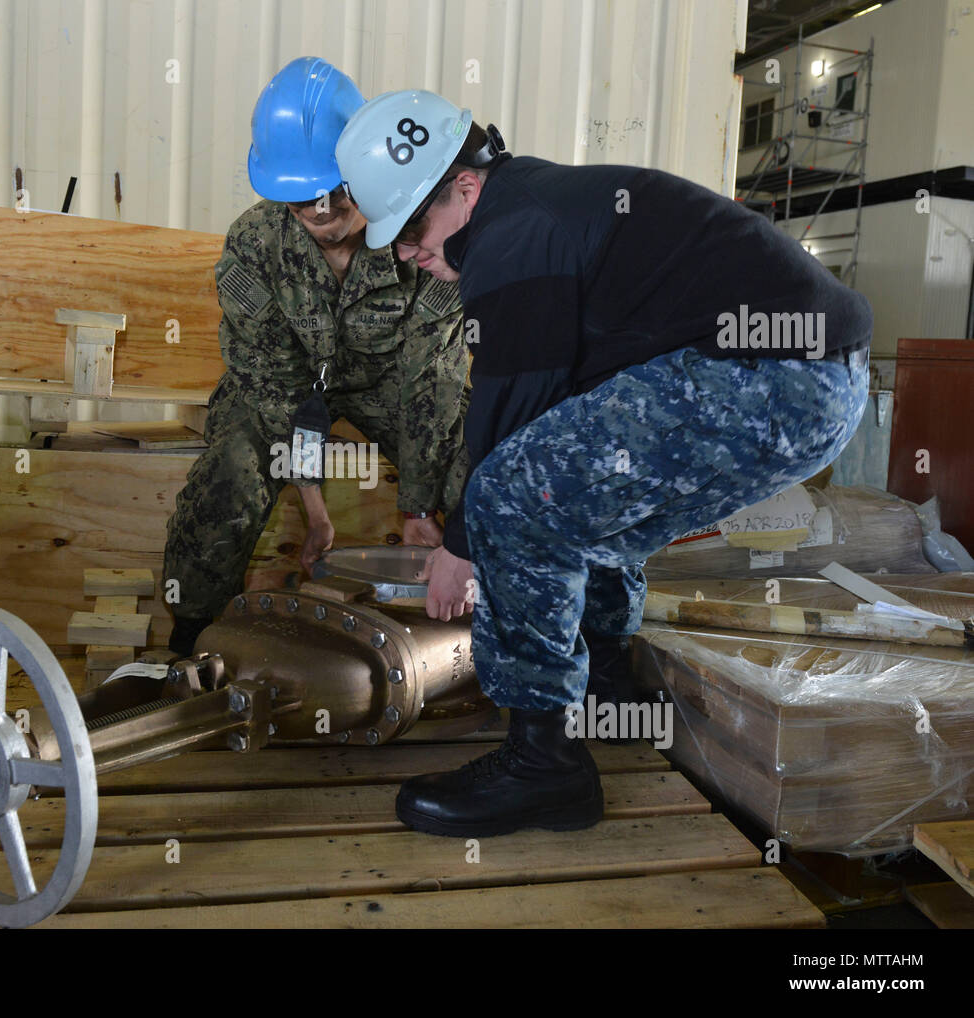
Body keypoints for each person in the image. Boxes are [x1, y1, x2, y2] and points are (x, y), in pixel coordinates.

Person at [335, 90, 871, 837]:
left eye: (413, 227)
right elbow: (555, 421)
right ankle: (607, 697)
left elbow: (505, 431)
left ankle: (543, 768)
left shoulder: (513, 236)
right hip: (816, 384)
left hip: (770, 376)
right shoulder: (537, 209)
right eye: (393, 238)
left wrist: (461, 547)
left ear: (465, 186)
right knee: (581, 486)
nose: (405, 251)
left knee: (513, 498)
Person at [164, 62, 470, 656]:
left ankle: (490, 634)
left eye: (337, 192)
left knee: (480, 456)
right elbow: (275, 388)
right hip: (290, 387)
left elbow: (431, 379)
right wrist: (312, 503)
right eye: (304, 201)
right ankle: (190, 636)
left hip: (391, 382)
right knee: (229, 470)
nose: (324, 211)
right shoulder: (253, 246)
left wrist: (417, 504)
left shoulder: (422, 235)